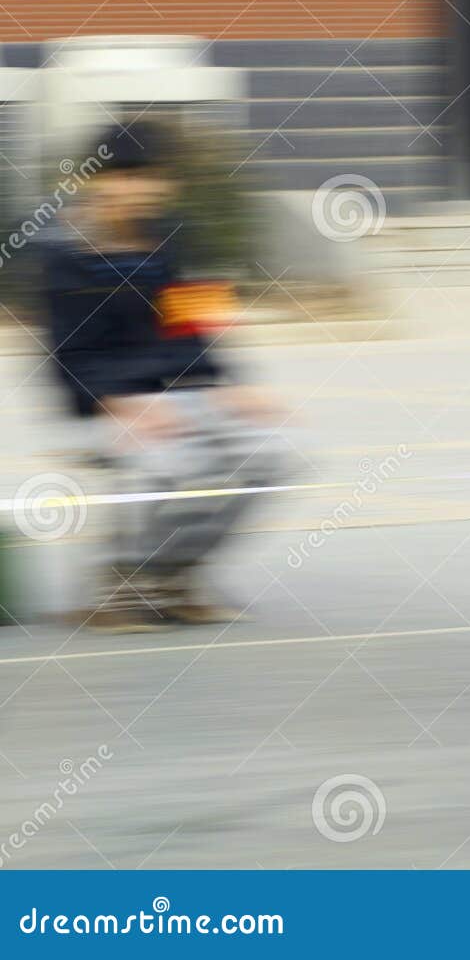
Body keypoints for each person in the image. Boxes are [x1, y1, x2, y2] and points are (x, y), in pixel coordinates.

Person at [41, 121, 292, 633]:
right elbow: (67, 356)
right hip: (101, 404)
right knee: (173, 466)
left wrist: (232, 385)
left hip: (175, 397)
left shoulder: (176, 239)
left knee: (266, 456)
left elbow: (198, 326)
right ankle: (119, 584)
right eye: (121, 176)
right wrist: (116, 402)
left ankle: (174, 576)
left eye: (147, 177)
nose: (134, 190)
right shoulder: (64, 253)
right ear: (93, 181)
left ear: (166, 185)